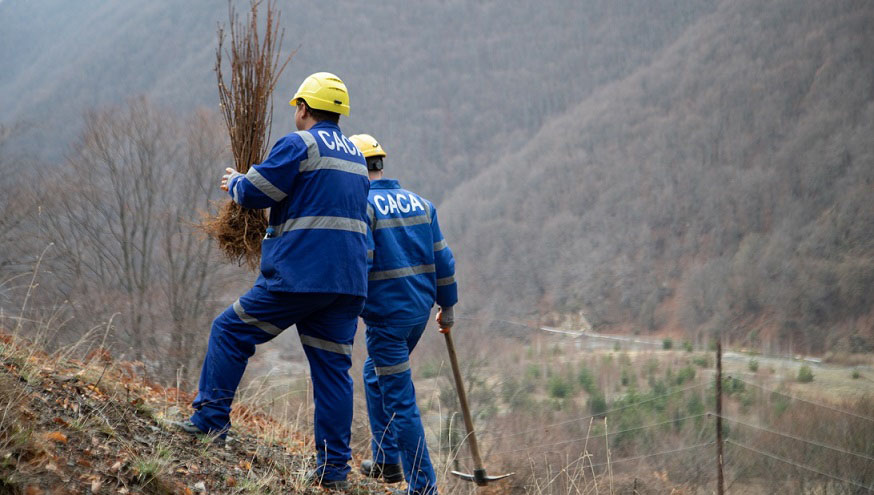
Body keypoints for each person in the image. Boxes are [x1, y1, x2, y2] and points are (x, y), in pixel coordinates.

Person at [174, 73, 369, 489]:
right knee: (333, 372)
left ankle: (209, 422)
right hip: (347, 284)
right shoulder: (355, 155)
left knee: (230, 331)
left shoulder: (299, 143)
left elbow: (259, 191)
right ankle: (334, 471)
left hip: (300, 277)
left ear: (303, 108)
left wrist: (235, 183)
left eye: (297, 106)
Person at [348, 133, 458, 495]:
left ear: (355, 167)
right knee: (374, 374)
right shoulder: (421, 204)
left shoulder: (361, 208)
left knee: (400, 398)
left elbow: (360, 265)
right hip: (418, 315)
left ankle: (423, 486)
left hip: (387, 321)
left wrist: (347, 306)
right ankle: (387, 459)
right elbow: (443, 260)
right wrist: (448, 307)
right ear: (380, 164)